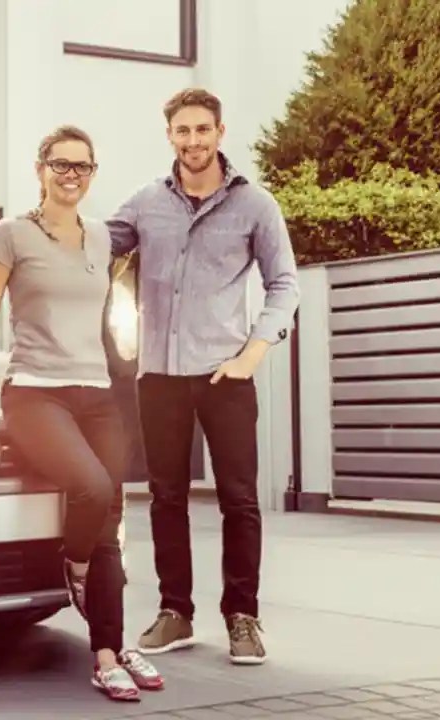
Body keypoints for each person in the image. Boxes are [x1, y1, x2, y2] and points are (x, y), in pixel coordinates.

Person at [0, 125, 164, 702]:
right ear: (40, 169)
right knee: (92, 490)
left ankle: (107, 651)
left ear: (93, 175)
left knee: (111, 526)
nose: (71, 176)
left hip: (97, 395)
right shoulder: (11, 234)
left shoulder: (101, 239)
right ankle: (70, 568)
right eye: (60, 165)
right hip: (35, 395)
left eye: (82, 167)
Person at [106, 88, 300, 666]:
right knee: (166, 498)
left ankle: (243, 616)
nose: (193, 141)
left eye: (202, 130)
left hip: (226, 374)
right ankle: (175, 612)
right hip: (159, 374)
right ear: (169, 135)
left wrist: (253, 351)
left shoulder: (256, 205)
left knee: (239, 499)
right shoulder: (143, 203)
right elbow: (92, 252)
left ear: (220, 132)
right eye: (182, 131)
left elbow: (284, 283)